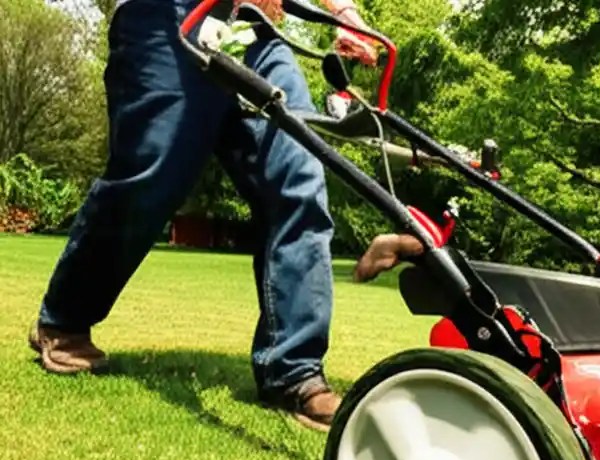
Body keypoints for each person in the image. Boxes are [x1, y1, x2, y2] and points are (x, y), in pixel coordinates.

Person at [28, 0, 379, 432]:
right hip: (166, 17)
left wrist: (343, 13)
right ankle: (65, 318)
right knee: (152, 174)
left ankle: (294, 369)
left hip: (253, 27)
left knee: (298, 179)